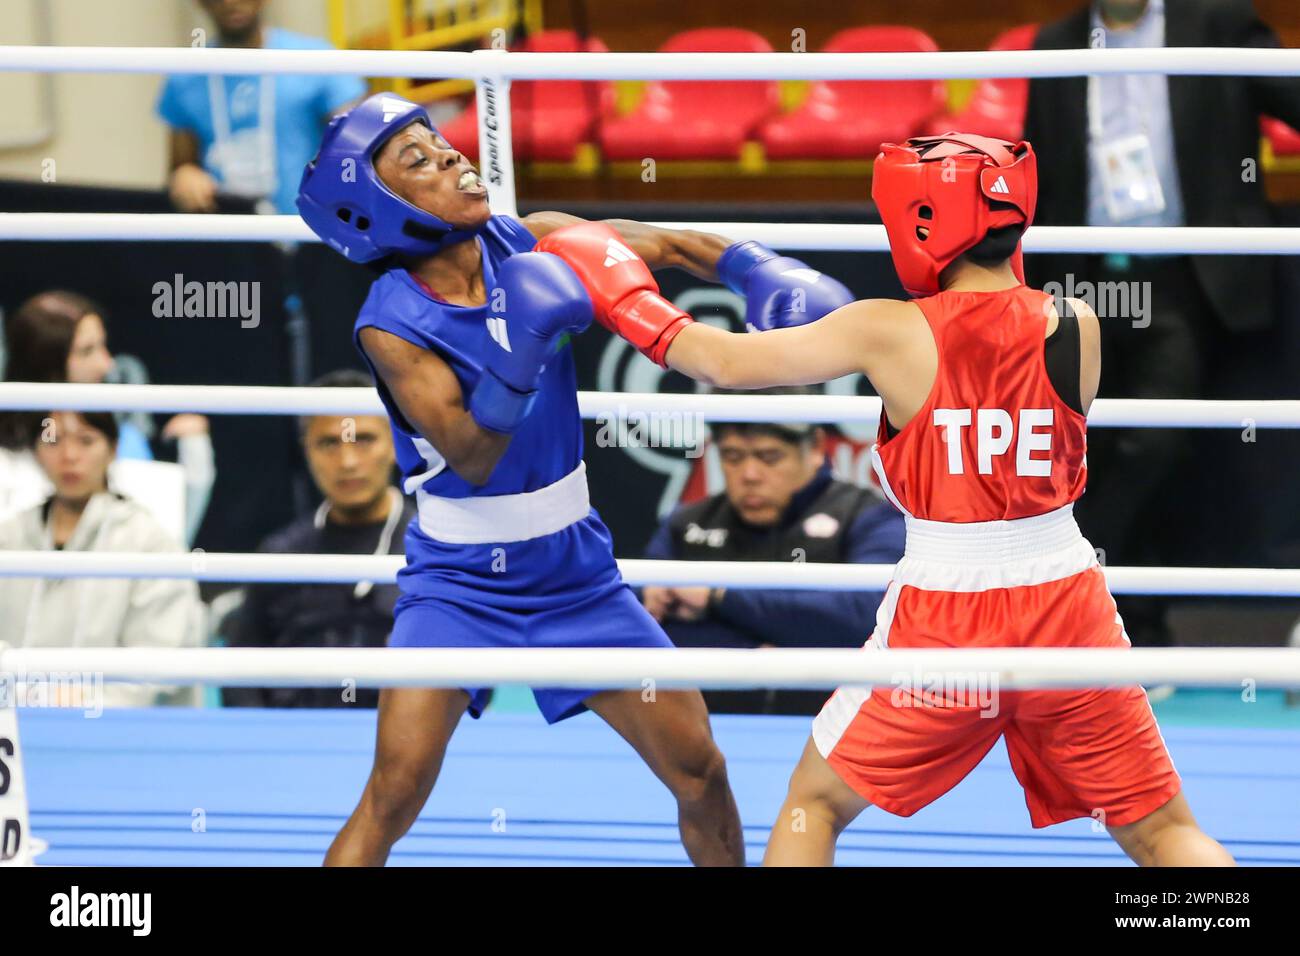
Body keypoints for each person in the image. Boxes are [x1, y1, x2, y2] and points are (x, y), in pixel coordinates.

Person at [536, 133, 1234, 866]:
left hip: (950, 611)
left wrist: (615, 287)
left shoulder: (889, 329)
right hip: (1068, 600)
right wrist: (725, 256)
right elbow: (1003, 359)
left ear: (921, 220)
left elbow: (717, 361)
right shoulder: (1079, 324)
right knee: (1163, 834)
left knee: (815, 806)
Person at [296, 92, 857, 866]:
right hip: (459, 586)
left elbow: (666, 245)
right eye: (417, 161)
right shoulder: (390, 323)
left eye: (440, 143)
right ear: (379, 208)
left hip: (576, 576)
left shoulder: (535, 240)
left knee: (700, 771)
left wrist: (751, 268)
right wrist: (521, 346)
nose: (452, 157)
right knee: (393, 796)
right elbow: (471, 452)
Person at [1025, 0, 1300, 647]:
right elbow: (1040, 166)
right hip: (1084, 279)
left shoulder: (1216, 26)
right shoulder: (1056, 41)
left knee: (1154, 443)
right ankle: (1124, 626)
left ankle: (1075, 593)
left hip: (1176, 278)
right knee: (1077, 450)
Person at [643, 386, 905, 715]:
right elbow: (648, 626)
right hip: (712, 724)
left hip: (828, 725)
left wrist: (717, 599)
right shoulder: (687, 522)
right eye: (732, 457)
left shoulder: (868, 518)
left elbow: (864, 619)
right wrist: (756, 656)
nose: (749, 475)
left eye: (769, 457)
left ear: (815, 449)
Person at [223, 369, 415, 709]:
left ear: (395, 443)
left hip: (410, 750)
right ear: (306, 451)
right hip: (293, 748)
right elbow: (239, 681)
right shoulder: (279, 556)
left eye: (365, 439)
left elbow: (473, 683)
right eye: (329, 443)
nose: (348, 461)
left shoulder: (434, 548)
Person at [0, 410, 201, 708]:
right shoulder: (9, 537)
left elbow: (154, 667)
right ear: (36, 451)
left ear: (113, 448)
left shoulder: (149, 543)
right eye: (52, 440)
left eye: (86, 440)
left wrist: (75, 704)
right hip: (13, 729)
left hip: (115, 730)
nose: (69, 455)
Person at [0, 290, 214, 542]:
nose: (107, 364)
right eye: (87, 350)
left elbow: (167, 535)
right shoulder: (8, 463)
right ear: (45, 361)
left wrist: (196, 453)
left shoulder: (119, 441)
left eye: (85, 441)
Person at [158, 0, 365, 215]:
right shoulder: (185, 76)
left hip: (307, 230)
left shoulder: (313, 58)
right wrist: (184, 176)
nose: (231, 2)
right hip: (224, 235)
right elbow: (180, 165)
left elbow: (355, 140)